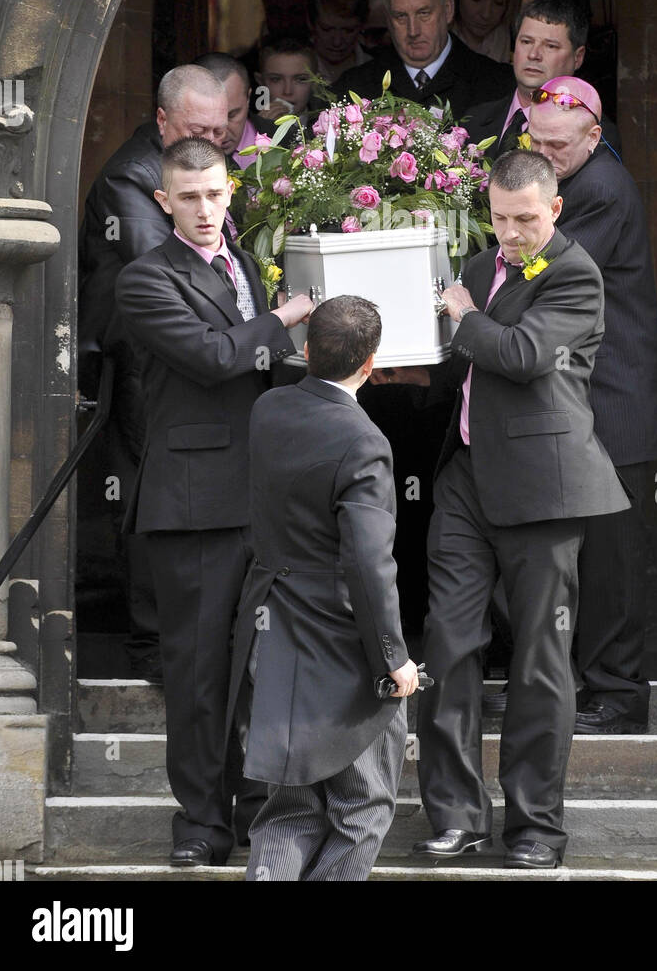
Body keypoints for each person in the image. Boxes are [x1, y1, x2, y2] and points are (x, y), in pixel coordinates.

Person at [394, 151, 629, 868]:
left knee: (539, 663)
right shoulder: (472, 267)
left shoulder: (576, 273)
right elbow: (463, 367)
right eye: (499, 218)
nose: (512, 233)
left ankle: (535, 830)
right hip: (465, 477)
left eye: (525, 218)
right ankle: (456, 817)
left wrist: (462, 320)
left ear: (553, 209)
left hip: (544, 486)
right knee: (446, 647)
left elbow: (523, 354)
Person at [114, 137, 312, 866]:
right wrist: (286, 318)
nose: (204, 210)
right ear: (164, 202)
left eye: (214, 195)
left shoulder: (247, 271)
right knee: (197, 673)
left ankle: (257, 809)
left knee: (263, 667)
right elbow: (213, 357)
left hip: (260, 499)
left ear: (231, 195)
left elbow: (261, 375)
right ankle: (199, 821)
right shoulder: (144, 278)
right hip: (192, 504)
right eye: (188, 198)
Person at [228, 296, 419, 881]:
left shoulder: (268, 410)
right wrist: (395, 659)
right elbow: (367, 564)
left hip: (269, 631)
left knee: (286, 811)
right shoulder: (364, 441)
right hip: (337, 649)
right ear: (372, 364)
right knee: (364, 806)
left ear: (305, 350)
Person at [77, 65, 230, 678]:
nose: (214, 144)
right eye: (199, 129)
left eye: (224, 131)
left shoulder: (201, 165)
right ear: (162, 121)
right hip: (140, 366)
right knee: (146, 498)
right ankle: (151, 646)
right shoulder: (129, 176)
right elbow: (170, 272)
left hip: (185, 362)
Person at [527, 77, 657, 734]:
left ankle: (617, 694)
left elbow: (549, 267)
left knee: (610, 561)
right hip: (594, 403)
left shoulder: (601, 188)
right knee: (585, 557)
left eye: (559, 144)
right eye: (537, 142)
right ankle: (588, 685)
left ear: (593, 136)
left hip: (613, 405)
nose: (546, 154)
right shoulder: (572, 178)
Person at [335, 0, 512, 121]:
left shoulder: (499, 86)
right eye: (401, 16)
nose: (413, 31)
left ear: (448, 9)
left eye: (424, 13)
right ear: (388, 19)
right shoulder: (353, 89)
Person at [464, 0, 621, 158]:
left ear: (578, 57)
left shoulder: (594, 136)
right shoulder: (473, 120)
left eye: (550, 46)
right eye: (526, 42)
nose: (533, 54)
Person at [306, 0, 371, 82]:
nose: (337, 41)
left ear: (362, 26)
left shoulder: (378, 73)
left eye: (348, 30)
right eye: (327, 29)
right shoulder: (290, 71)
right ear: (311, 23)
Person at [253, 37, 321, 139]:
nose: (287, 91)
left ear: (315, 82)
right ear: (261, 81)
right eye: (276, 79)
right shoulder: (246, 128)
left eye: (301, 79)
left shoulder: (329, 128)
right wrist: (260, 129)